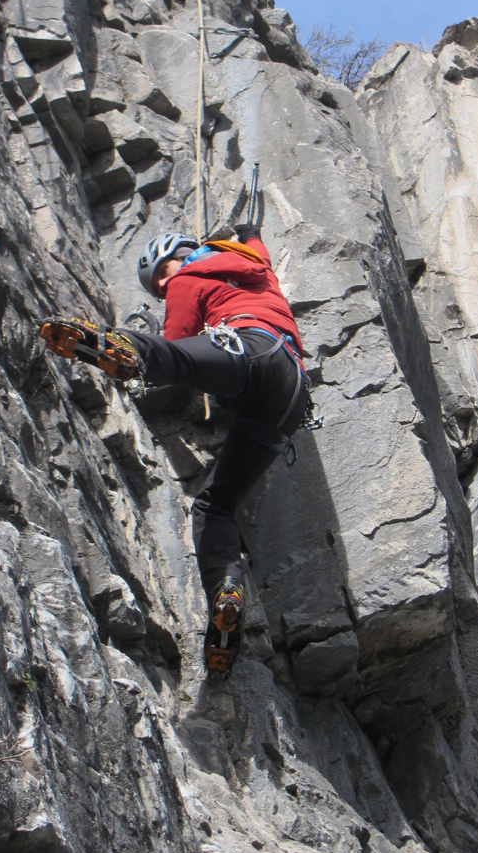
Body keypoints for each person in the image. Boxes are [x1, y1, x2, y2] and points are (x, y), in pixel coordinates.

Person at [40, 222, 310, 678]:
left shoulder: (185, 279)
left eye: (160, 281)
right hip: (291, 395)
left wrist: (157, 337)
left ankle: (109, 342)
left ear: (168, 267)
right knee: (215, 505)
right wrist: (247, 230)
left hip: (248, 352)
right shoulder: (255, 265)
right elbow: (254, 241)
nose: (165, 289)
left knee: (168, 356)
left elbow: (180, 341)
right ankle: (227, 592)